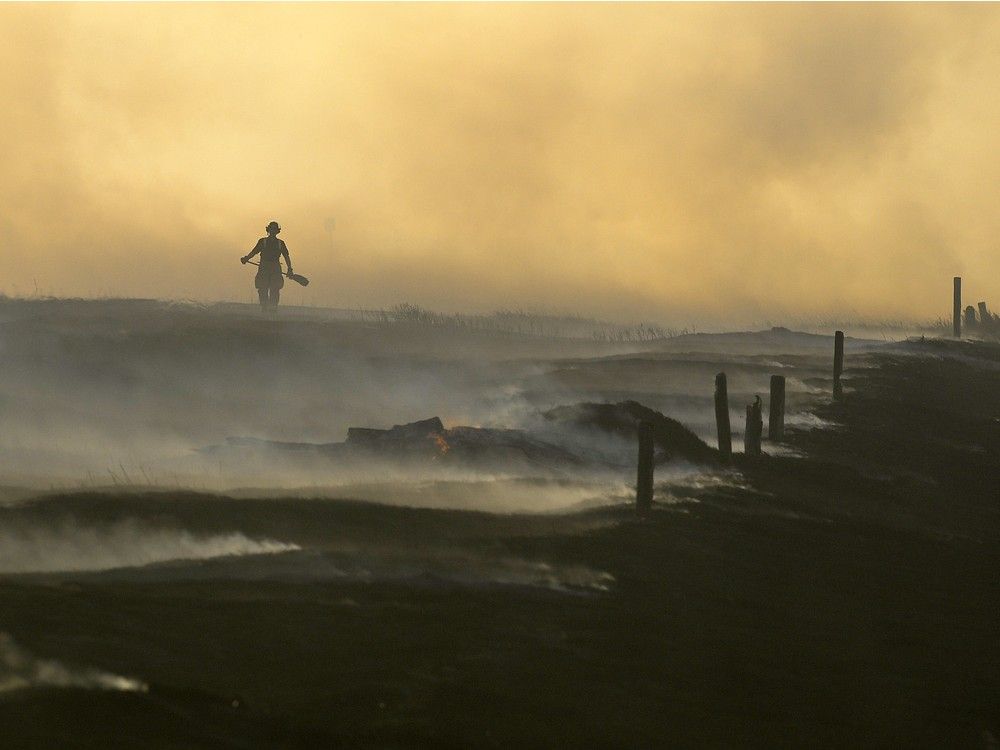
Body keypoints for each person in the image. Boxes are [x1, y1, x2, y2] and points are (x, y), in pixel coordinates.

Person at [241, 221, 293, 310]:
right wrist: (246, 258)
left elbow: (286, 256)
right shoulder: (262, 241)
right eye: (271, 229)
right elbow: (254, 252)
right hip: (264, 267)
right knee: (262, 288)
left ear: (277, 231)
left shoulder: (281, 243)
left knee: (275, 289)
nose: (273, 231)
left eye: (274, 229)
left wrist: (289, 269)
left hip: (275, 267)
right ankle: (264, 307)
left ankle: (273, 308)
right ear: (268, 230)